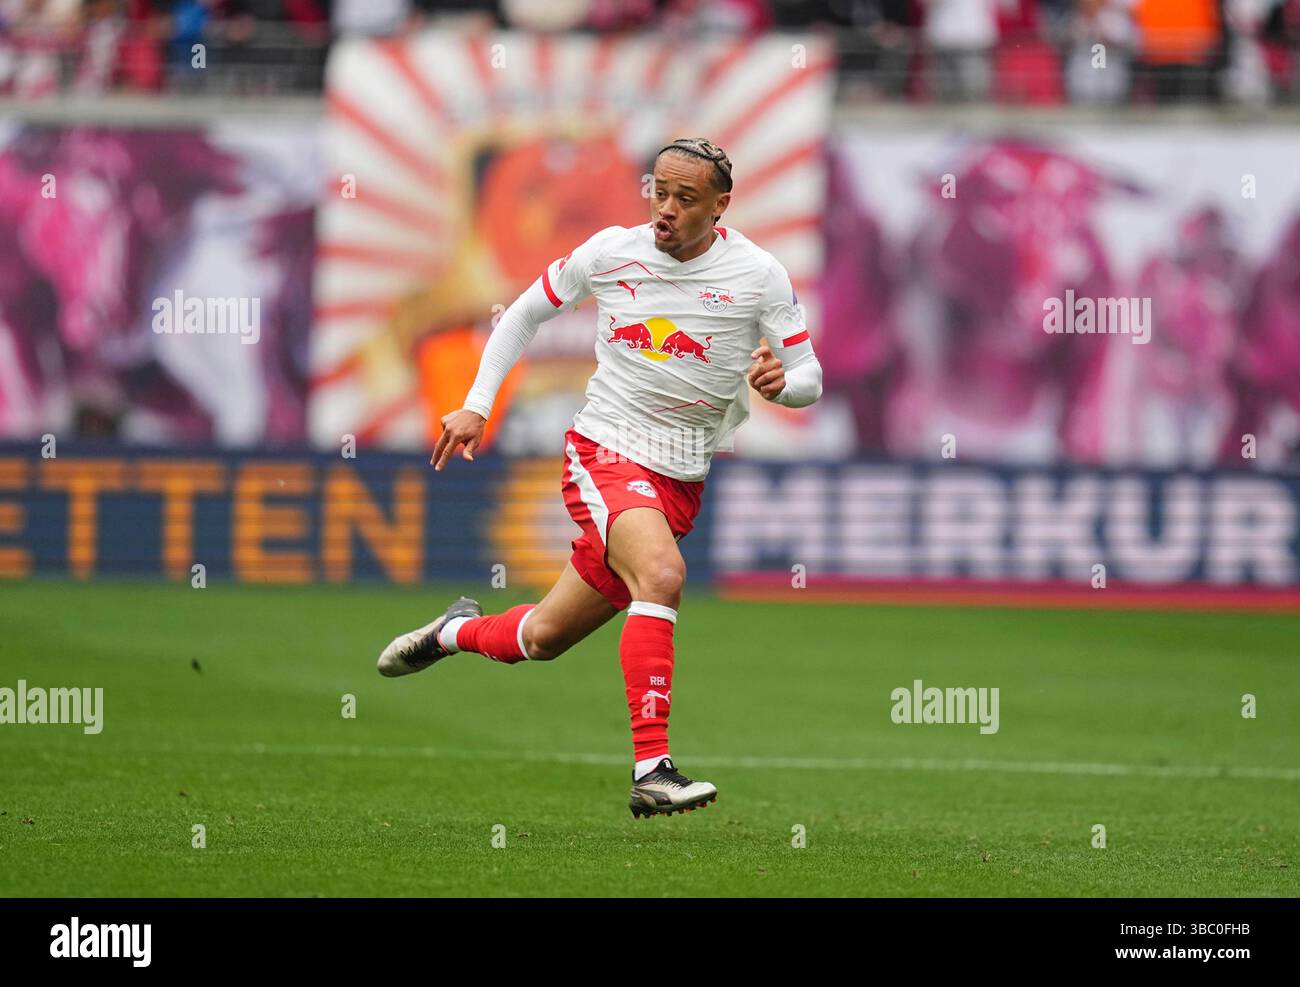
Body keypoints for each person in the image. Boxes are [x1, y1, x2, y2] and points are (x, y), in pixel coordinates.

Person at [376, 137, 823, 818]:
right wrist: (476, 402)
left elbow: (809, 376)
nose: (665, 208)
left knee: (542, 639)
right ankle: (653, 769)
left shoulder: (759, 274)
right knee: (663, 576)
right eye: (659, 192)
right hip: (607, 449)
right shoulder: (613, 252)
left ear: (721, 205)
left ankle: (450, 632)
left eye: (685, 198)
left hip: (680, 475)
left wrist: (781, 385)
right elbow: (522, 312)